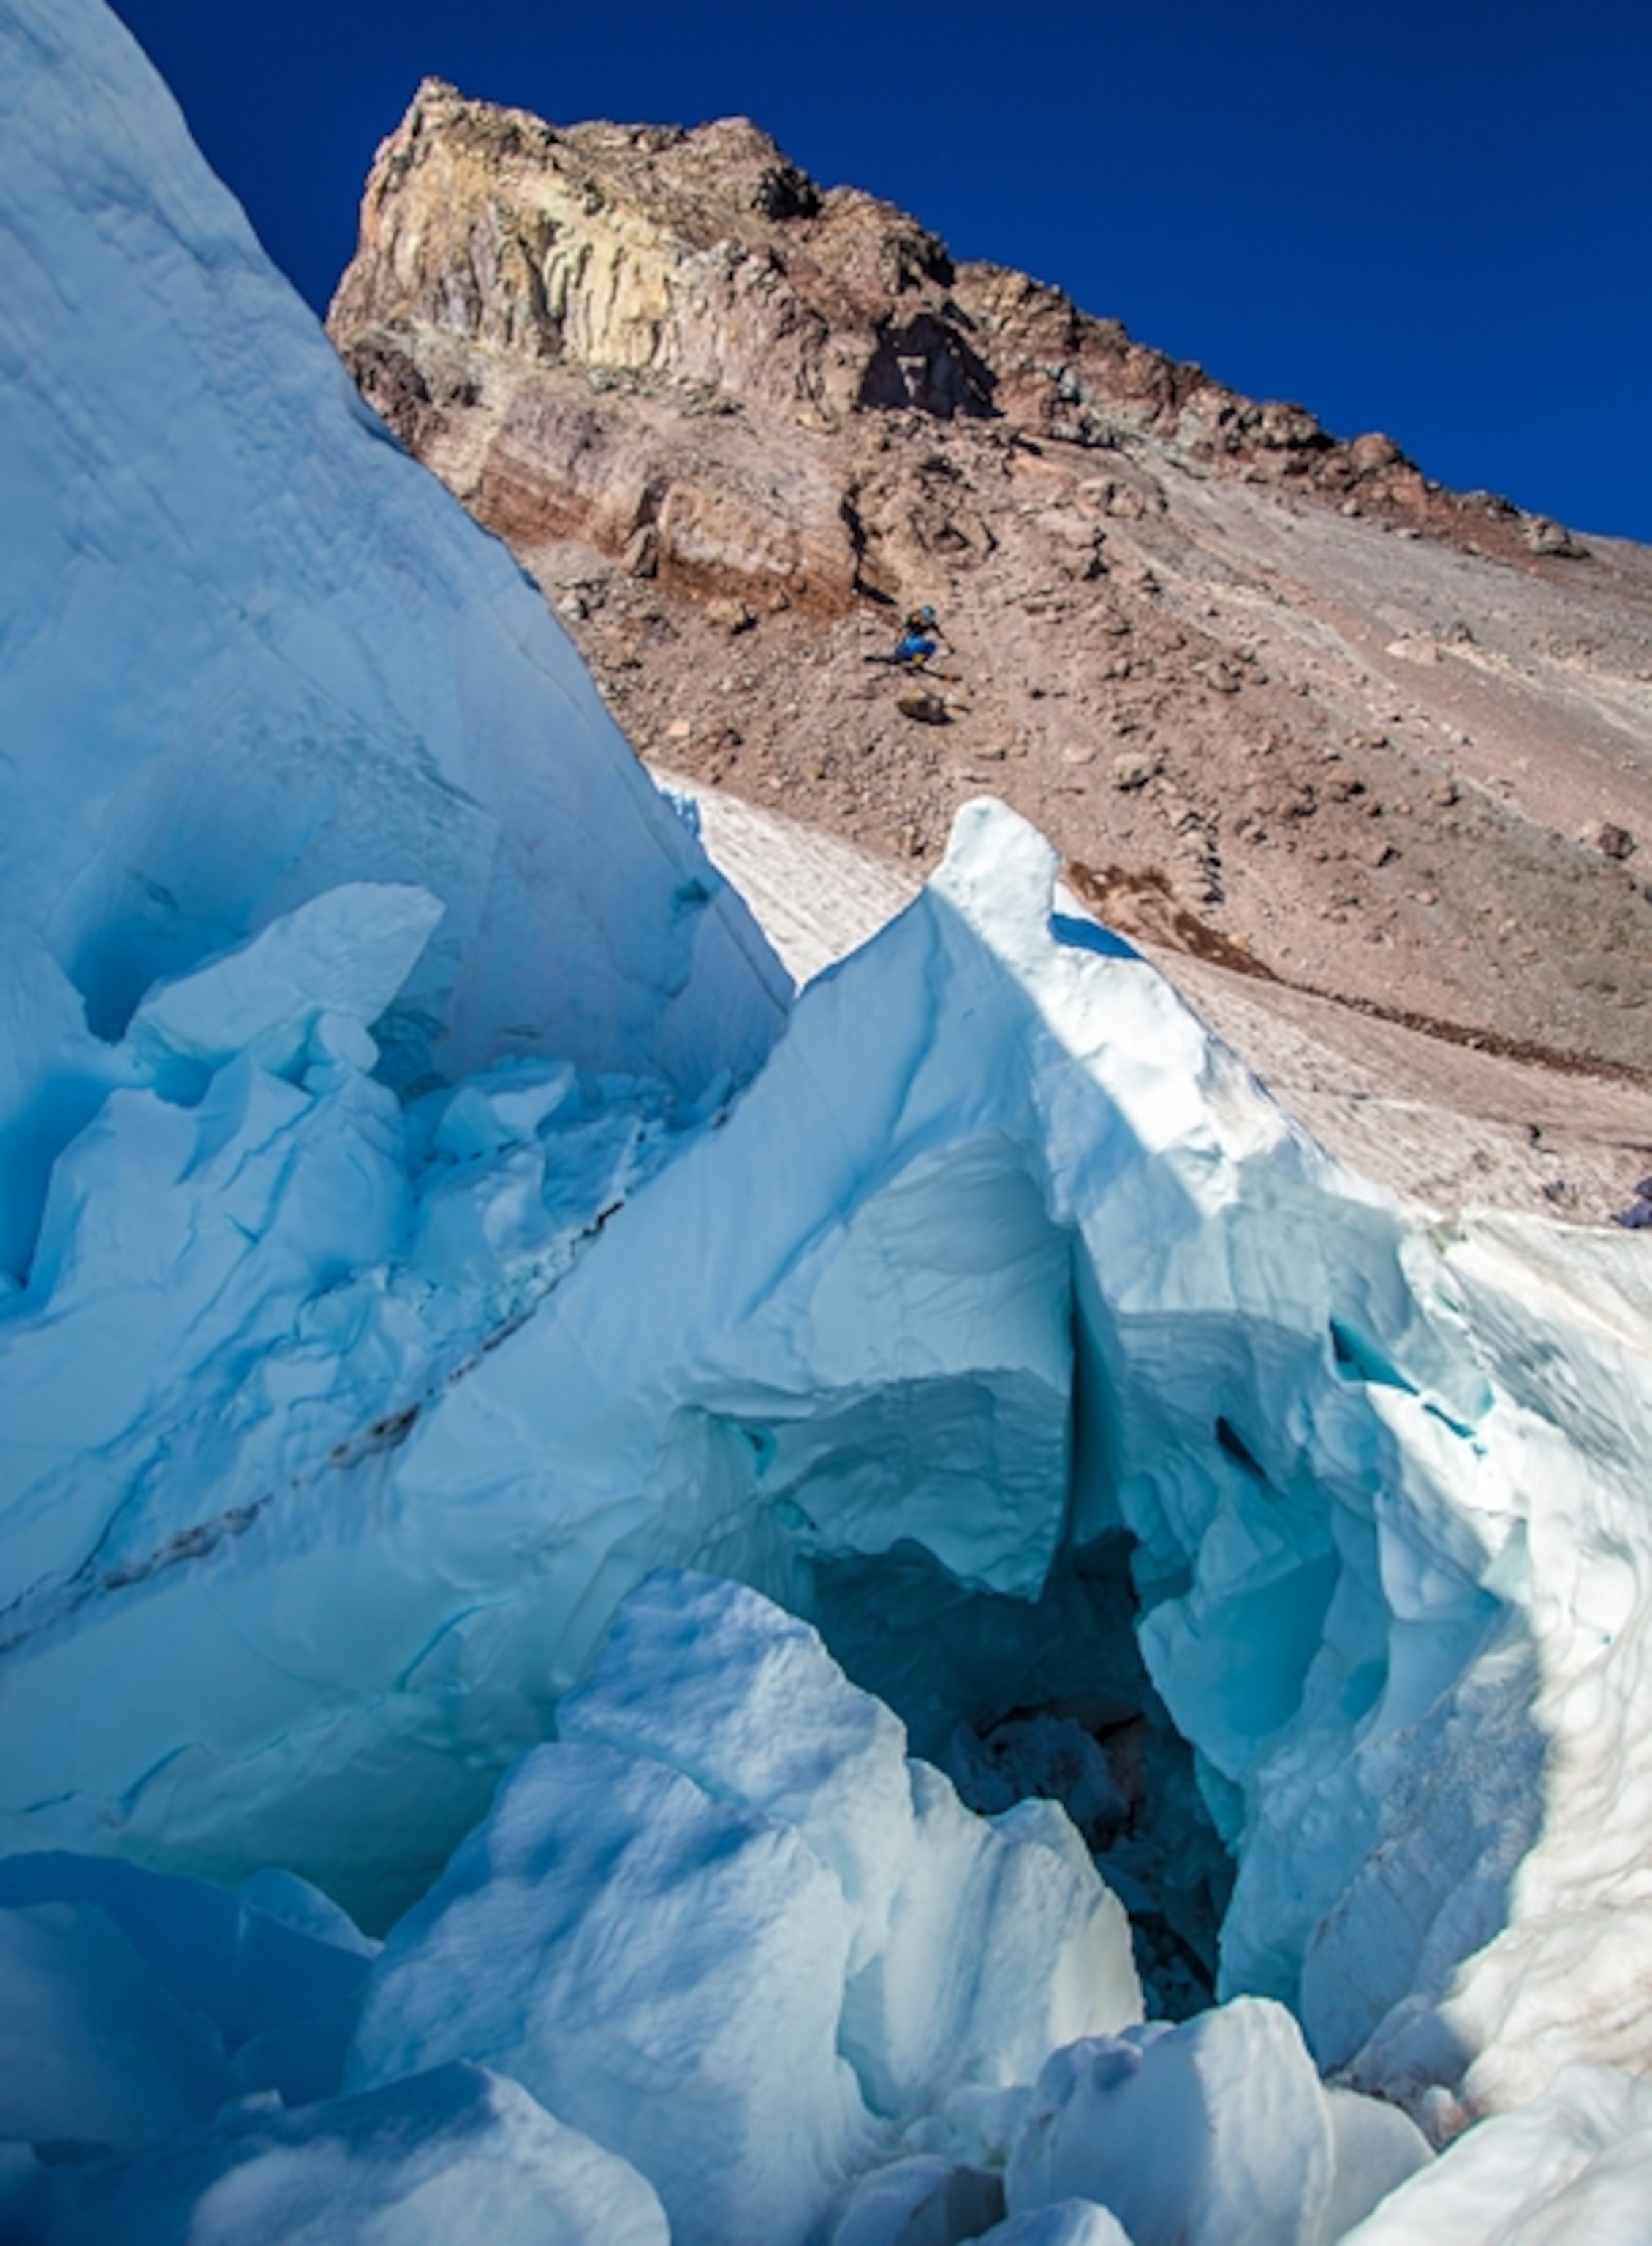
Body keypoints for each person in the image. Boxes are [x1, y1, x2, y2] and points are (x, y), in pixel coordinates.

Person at [892, 604, 947, 670]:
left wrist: (946, 643)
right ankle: (899, 657)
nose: (927, 622)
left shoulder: (930, 623)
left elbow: (938, 632)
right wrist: (899, 638)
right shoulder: (913, 619)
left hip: (918, 638)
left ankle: (917, 663)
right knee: (912, 646)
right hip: (910, 637)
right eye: (926, 619)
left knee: (928, 648)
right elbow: (903, 628)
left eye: (929, 620)